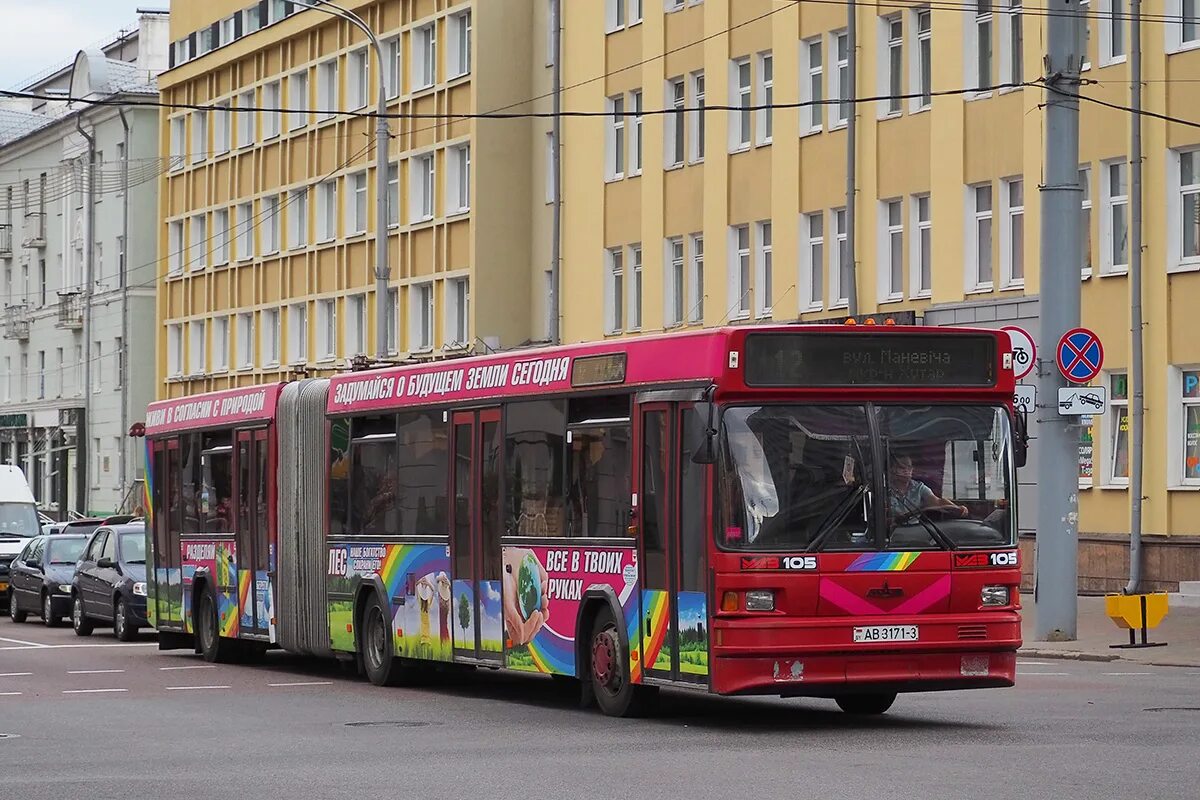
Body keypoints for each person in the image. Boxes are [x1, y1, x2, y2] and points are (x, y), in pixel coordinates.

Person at [887, 453, 969, 521]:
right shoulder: (884, 489)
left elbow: (937, 502)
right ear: (892, 470)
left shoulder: (919, 488)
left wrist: (957, 508)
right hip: (892, 533)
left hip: (914, 531)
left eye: (909, 467)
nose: (906, 471)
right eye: (901, 468)